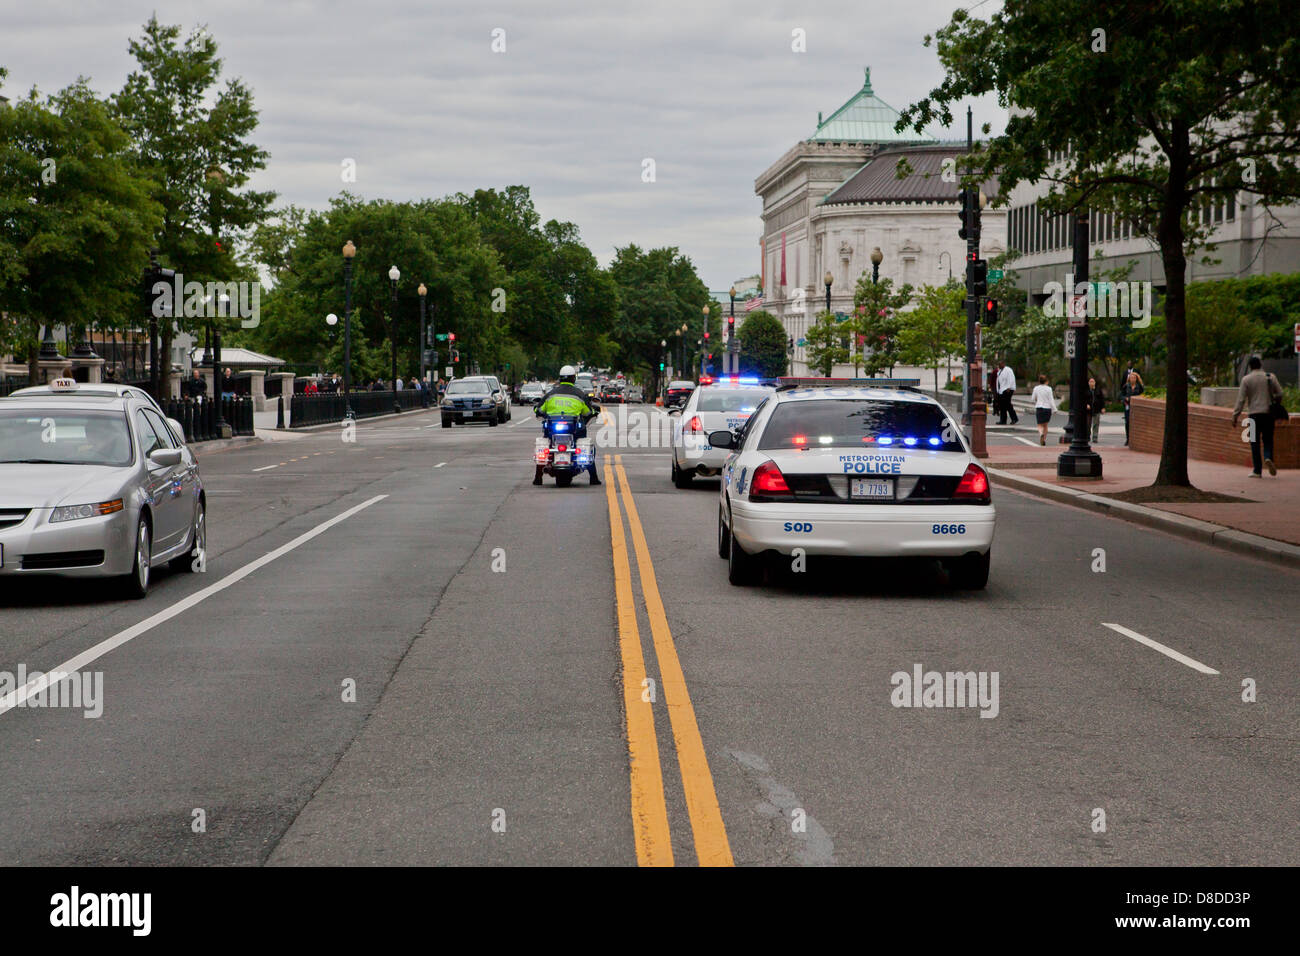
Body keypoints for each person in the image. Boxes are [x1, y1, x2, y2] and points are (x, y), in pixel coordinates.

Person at [534, 365, 601, 485]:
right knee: (587, 445)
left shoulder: (551, 394)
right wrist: (594, 411)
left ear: (560, 379)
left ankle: (538, 477)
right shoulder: (579, 394)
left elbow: (539, 409)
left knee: (545, 445)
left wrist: (538, 411)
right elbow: (588, 412)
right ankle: (593, 477)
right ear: (573, 379)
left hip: (552, 430)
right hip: (574, 431)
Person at [1232, 356, 1285, 477]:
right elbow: (1280, 393)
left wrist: (1235, 416)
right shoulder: (1270, 377)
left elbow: (1241, 400)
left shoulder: (1246, 379)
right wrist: (1276, 401)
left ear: (1250, 366)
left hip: (1253, 414)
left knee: (1254, 441)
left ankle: (1257, 470)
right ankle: (1268, 457)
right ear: (1260, 364)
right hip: (1268, 414)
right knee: (1268, 439)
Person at [1031, 373, 1056, 445]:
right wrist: (1054, 409)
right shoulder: (1049, 389)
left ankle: (1041, 433)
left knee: (1039, 424)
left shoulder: (1036, 388)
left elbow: (1033, 399)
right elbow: (1051, 400)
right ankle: (1044, 438)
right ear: (1046, 381)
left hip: (1039, 407)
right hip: (1047, 408)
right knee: (1045, 425)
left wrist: (1037, 399)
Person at [1121, 370, 1144, 445]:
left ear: (1136, 379)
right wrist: (1125, 398)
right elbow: (1121, 395)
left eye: (1134, 378)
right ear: (1129, 379)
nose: (1132, 379)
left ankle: (1136, 439)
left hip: (1137, 408)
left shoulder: (1140, 387)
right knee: (1127, 422)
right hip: (1128, 406)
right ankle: (1128, 439)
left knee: (1136, 423)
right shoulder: (1126, 386)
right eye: (1131, 377)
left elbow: (1143, 396)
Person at [1086, 375, 1106, 444]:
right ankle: (1087, 437)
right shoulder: (1086, 390)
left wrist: (1103, 408)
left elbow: (1102, 399)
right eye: (1090, 382)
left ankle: (1095, 437)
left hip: (1097, 409)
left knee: (1096, 424)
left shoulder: (1098, 390)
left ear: (1095, 383)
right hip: (1088, 410)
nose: (1092, 383)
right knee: (1087, 424)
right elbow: (1082, 399)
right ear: (1088, 383)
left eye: (1093, 382)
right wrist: (1086, 404)